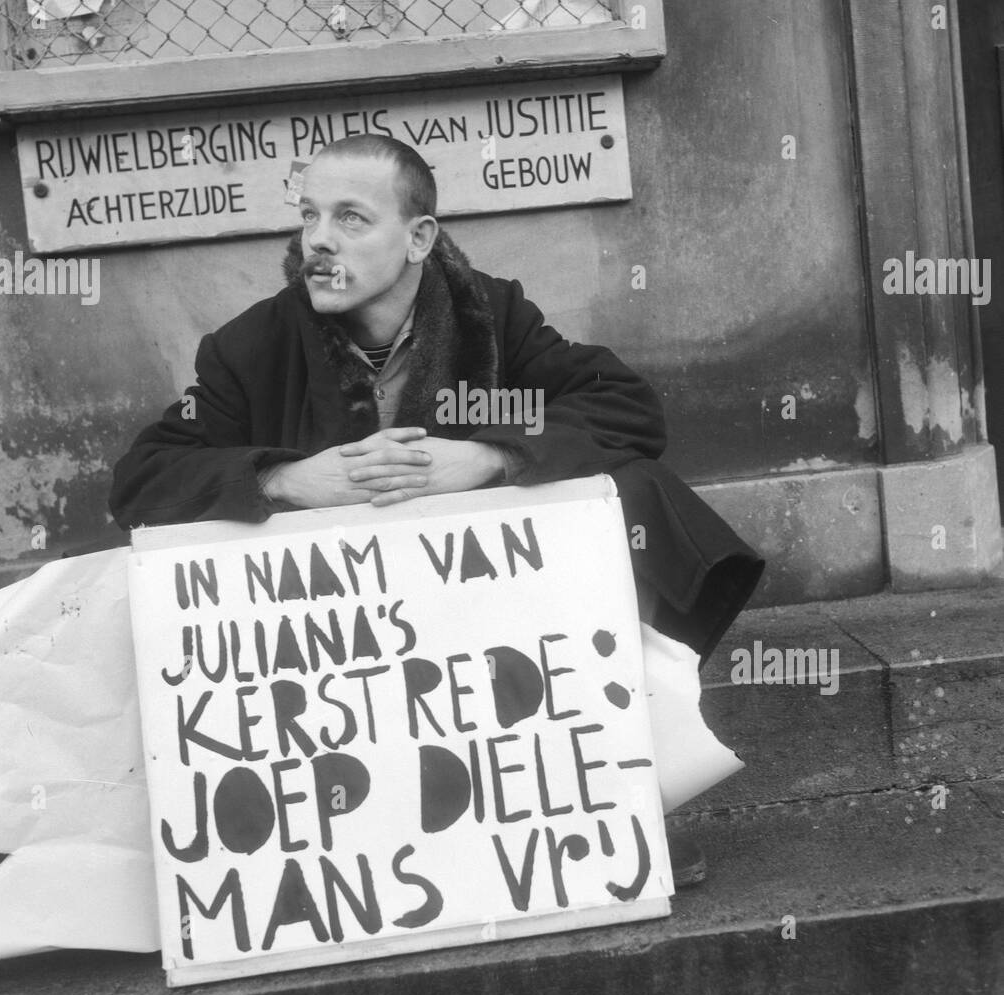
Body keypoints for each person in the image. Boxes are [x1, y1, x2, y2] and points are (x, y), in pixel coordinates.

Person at [109, 136, 763, 880]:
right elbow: (143, 478)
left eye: (351, 218)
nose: (318, 240)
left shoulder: (489, 314)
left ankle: (604, 800)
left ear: (419, 238)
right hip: (339, 649)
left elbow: (621, 407)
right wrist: (285, 480)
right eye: (308, 215)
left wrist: (490, 456)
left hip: (483, 628)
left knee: (638, 491)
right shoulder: (250, 347)